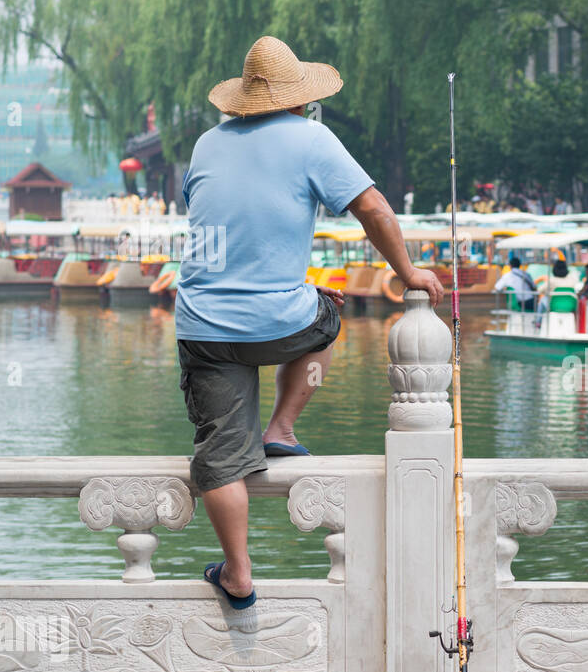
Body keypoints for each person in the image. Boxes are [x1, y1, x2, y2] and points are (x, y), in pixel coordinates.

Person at [176, 35, 442, 609]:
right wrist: (407, 272)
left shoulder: (204, 144)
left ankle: (239, 575)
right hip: (283, 324)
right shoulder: (313, 138)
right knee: (329, 310)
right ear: (300, 99)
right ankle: (281, 428)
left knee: (220, 453)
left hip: (204, 328)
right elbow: (372, 207)